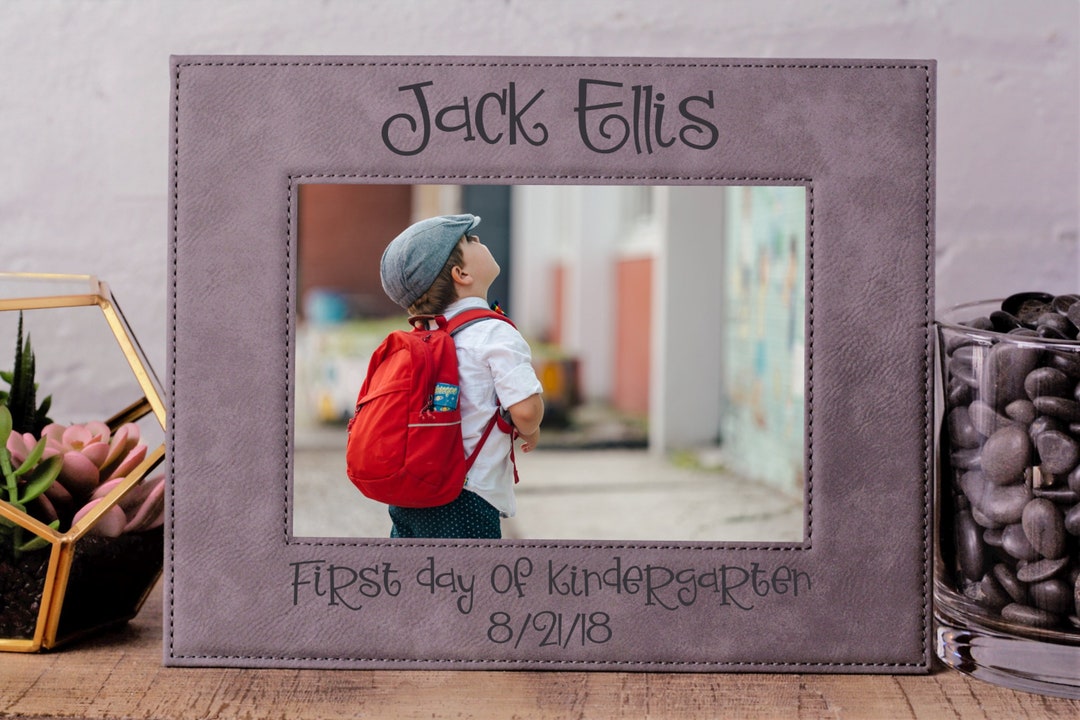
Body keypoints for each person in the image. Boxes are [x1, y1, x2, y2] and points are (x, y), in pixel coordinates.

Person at [378, 213, 544, 539]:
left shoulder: (424, 335)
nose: (478, 239)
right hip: (466, 498)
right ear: (461, 274)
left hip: (410, 494)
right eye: (469, 239)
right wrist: (532, 428)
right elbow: (525, 411)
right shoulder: (494, 333)